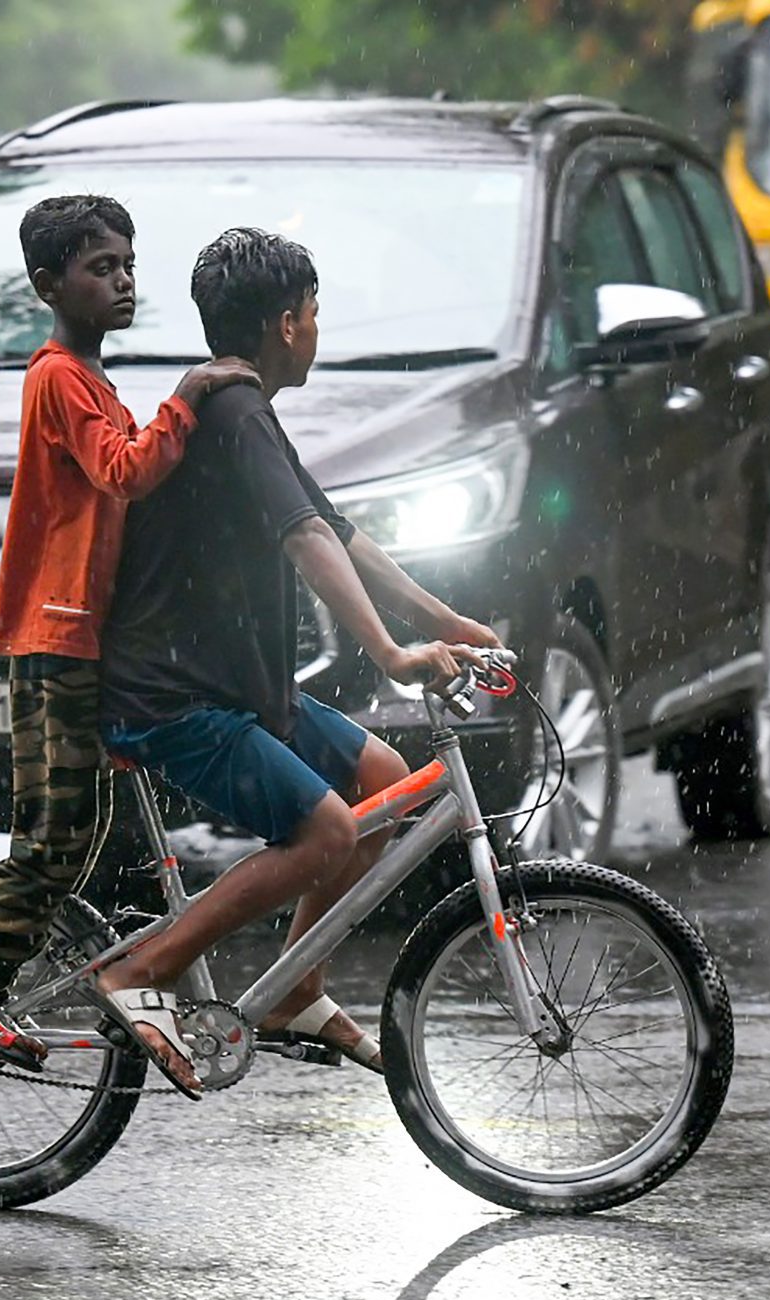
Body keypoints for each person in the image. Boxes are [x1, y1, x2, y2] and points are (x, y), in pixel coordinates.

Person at [93, 228, 500, 1096]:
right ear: (286, 323)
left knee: (383, 784)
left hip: (237, 684)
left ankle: (295, 988)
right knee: (328, 832)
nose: (318, 328)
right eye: (314, 313)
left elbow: (338, 528)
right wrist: (389, 653)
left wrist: (446, 619)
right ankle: (142, 971)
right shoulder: (234, 413)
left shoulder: (249, 409)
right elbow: (306, 535)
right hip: (175, 695)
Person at [0, 195, 258, 1065]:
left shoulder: (88, 381)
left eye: (129, 265)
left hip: (84, 642)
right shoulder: (58, 377)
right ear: (47, 285)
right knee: (55, 833)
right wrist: (189, 392)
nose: (124, 281)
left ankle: (88, 958)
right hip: (52, 640)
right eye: (102, 269)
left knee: (83, 830)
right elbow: (127, 469)